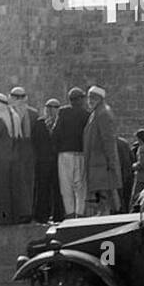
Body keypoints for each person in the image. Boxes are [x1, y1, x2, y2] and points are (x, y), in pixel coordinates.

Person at [0, 92, 25, 224]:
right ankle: (15, 217)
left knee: (2, 190)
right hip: (15, 158)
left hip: (1, 159)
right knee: (14, 189)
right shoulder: (15, 116)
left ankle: (4, 218)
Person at [82, 86, 122, 215]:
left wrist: (112, 163)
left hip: (102, 165)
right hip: (97, 164)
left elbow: (108, 141)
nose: (90, 100)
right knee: (101, 199)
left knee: (104, 199)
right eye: (89, 97)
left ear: (100, 99)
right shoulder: (96, 112)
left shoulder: (103, 113)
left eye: (93, 97)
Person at [53, 87, 90, 218]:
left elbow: (55, 132)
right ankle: (79, 215)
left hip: (65, 154)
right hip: (80, 153)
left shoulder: (63, 112)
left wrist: (57, 148)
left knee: (66, 186)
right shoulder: (86, 115)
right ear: (80, 99)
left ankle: (69, 214)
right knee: (80, 188)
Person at [9, 86, 38, 222]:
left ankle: (26, 212)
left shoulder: (33, 114)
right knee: (17, 182)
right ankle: (20, 211)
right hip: (14, 151)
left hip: (27, 151)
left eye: (21, 97)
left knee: (27, 181)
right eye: (16, 97)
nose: (19, 100)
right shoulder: (8, 113)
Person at [32, 98, 63, 221]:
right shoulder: (40, 123)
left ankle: (58, 215)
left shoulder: (60, 123)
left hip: (55, 160)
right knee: (43, 189)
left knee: (57, 189)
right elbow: (35, 141)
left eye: (54, 108)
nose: (51, 110)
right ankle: (42, 215)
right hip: (44, 160)